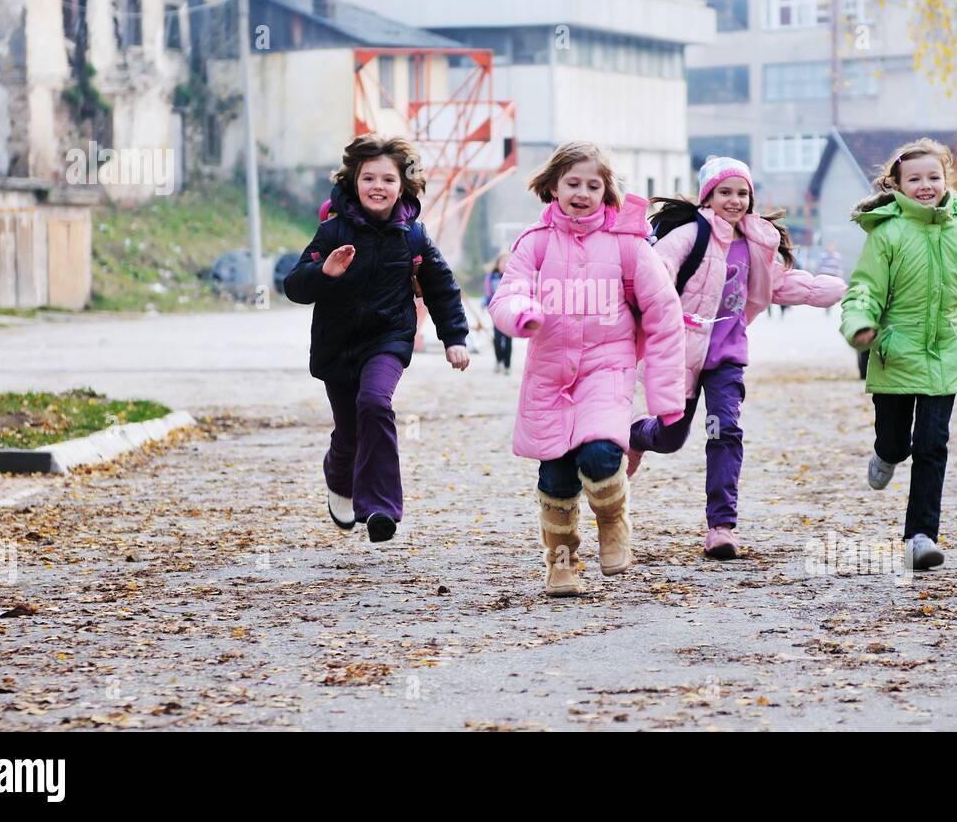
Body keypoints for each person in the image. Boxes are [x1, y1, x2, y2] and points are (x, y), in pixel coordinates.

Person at [488, 141, 685, 596]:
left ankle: (613, 519)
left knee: (600, 454)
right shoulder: (534, 244)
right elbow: (508, 293)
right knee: (554, 478)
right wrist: (522, 314)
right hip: (550, 376)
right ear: (553, 186)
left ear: (607, 191)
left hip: (606, 369)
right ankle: (561, 560)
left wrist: (666, 398)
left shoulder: (628, 247)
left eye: (593, 185)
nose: (582, 192)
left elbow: (663, 314)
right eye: (572, 183)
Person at [626, 156, 846, 559]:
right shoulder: (689, 235)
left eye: (742, 193)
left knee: (724, 431)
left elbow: (779, 284)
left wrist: (831, 291)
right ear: (707, 196)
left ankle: (721, 527)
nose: (735, 200)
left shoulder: (758, 242)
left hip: (726, 357)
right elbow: (656, 272)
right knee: (672, 438)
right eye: (725, 192)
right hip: (681, 354)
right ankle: (636, 436)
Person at [840, 138, 957, 570]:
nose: (926, 185)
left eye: (934, 177)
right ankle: (885, 454)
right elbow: (864, 290)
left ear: (947, 179)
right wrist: (860, 326)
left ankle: (919, 537)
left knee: (932, 444)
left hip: (945, 356)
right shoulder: (886, 233)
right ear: (897, 184)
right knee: (895, 441)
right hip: (894, 355)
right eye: (915, 179)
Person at [284, 134, 470, 543]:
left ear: (402, 186)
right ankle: (340, 480)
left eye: (388, 179)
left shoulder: (413, 236)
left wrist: (453, 337)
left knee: (374, 403)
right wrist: (324, 273)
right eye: (369, 178)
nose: (378, 186)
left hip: (389, 338)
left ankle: (381, 507)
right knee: (348, 432)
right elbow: (295, 286)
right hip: (337, 344)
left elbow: (442, 289)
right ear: (354, 183)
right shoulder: (332, 232)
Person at [483, 252, 513, 373]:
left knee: (508, 338)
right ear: (498, 264)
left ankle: (507, 365)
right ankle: (498, 361)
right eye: (503, 262)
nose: (505, 264)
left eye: (508, 262)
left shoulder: (514, 276)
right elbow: (488, 293)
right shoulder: (491, 277)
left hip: (510, 311)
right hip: (496, 312)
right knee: (497, 337)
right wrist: (486, 304)